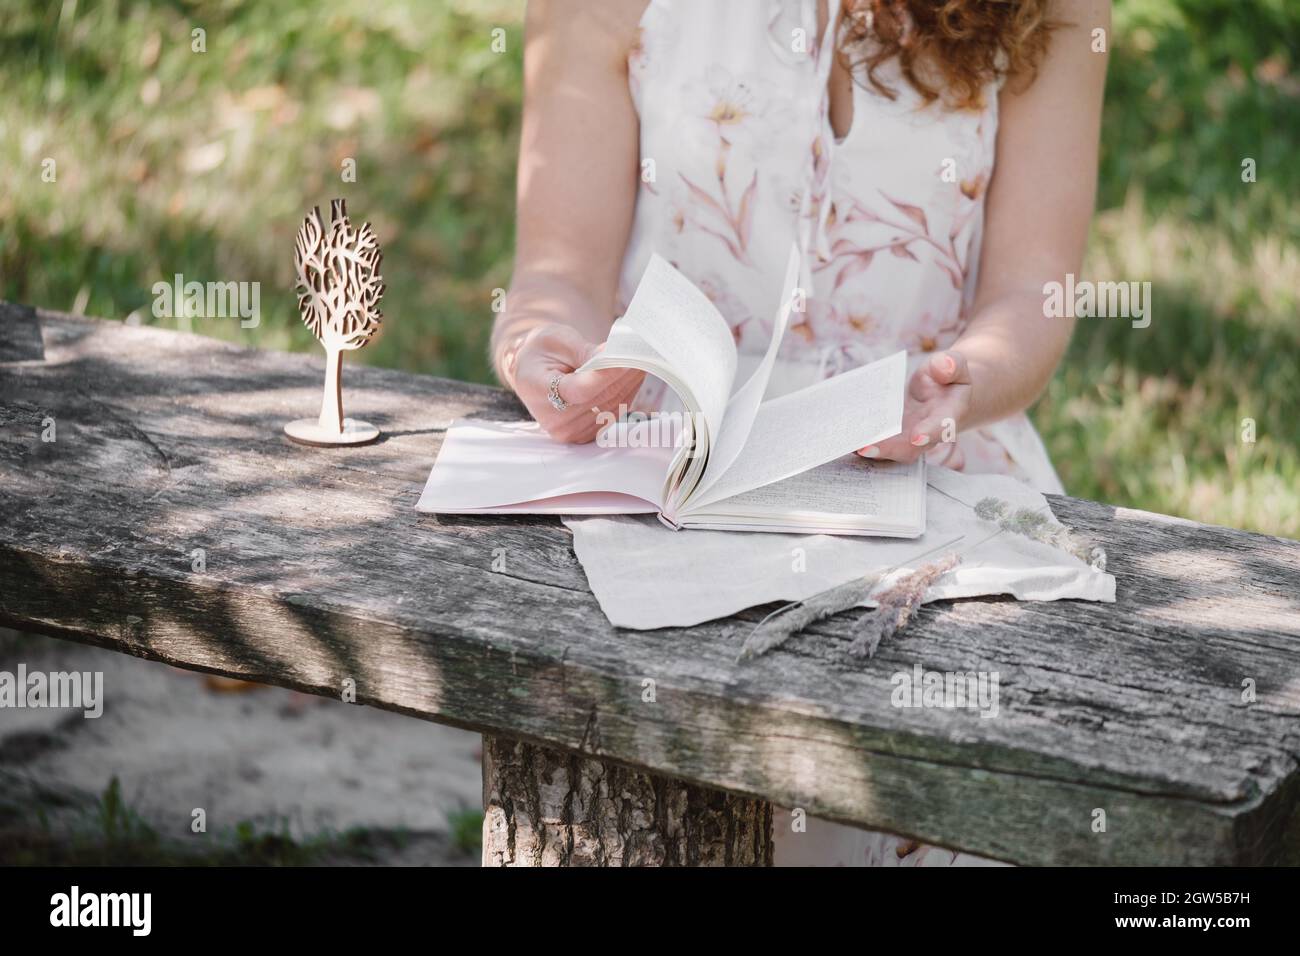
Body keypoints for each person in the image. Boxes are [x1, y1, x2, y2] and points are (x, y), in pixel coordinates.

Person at [490, 0, 1109, 865]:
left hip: (925, 457)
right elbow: (559, 271)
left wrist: (965, 381)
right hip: (678, 468)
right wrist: (544, 349)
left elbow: (1033, 289)